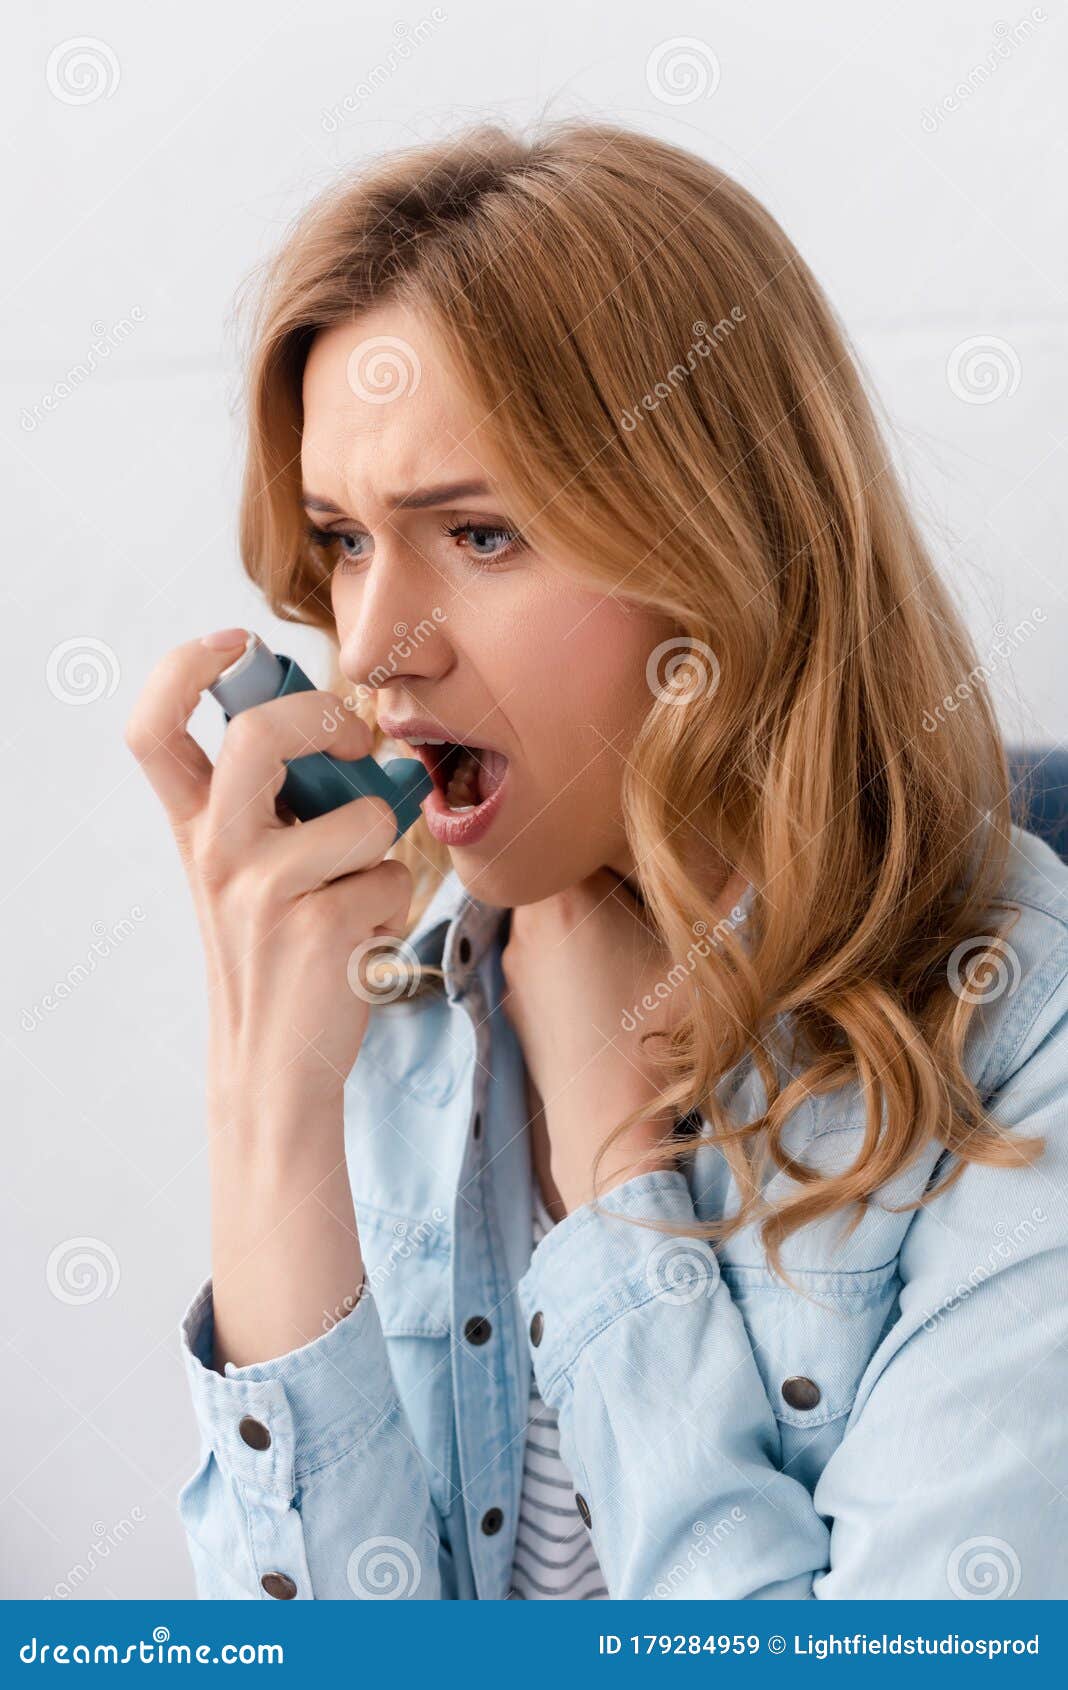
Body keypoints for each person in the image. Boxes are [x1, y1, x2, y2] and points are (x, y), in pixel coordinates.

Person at [126, 120, 1068, 1601]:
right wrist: (271, 1107)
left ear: (724, 549)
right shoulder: (393, 1006)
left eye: (479, 535)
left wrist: (618, 1172)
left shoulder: (1023, 1040)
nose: (371, 648)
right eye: (345, 541)